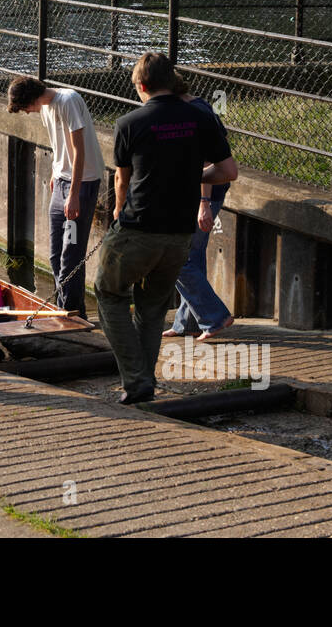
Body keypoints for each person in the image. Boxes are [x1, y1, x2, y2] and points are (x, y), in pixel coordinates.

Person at [93, 52, 238, 405]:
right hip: (178, 235)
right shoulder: (200, 116)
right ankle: (144, 381)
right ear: (172, 82)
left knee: (109, 295)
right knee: (152, 308)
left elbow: (121, 179)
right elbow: (228, 171)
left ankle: (136, 377)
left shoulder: (129, 122)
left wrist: (116, 211)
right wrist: (192, 181)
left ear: (142, 86)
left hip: (137, 228)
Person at [6, 76, 104, 318]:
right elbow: (59, 145)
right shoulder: (46, 108)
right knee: (55, 253)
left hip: (80, 185)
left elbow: (79, 150)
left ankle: (71, 313)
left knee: (71, 253)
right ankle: (66, 309)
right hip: (61, 183)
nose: (27, 113)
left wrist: (74, 194)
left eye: (24, 108)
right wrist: (55, 172)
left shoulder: (68, 100)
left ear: (30, 99)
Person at [162, 73, 235, 342]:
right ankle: (188, 322)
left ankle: (214, 317)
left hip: (201, 193)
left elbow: (203, 161)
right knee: (193, 256)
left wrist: (203, 203)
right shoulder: (200, 105)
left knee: (177, 258)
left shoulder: (192, 112)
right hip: (201, 192)